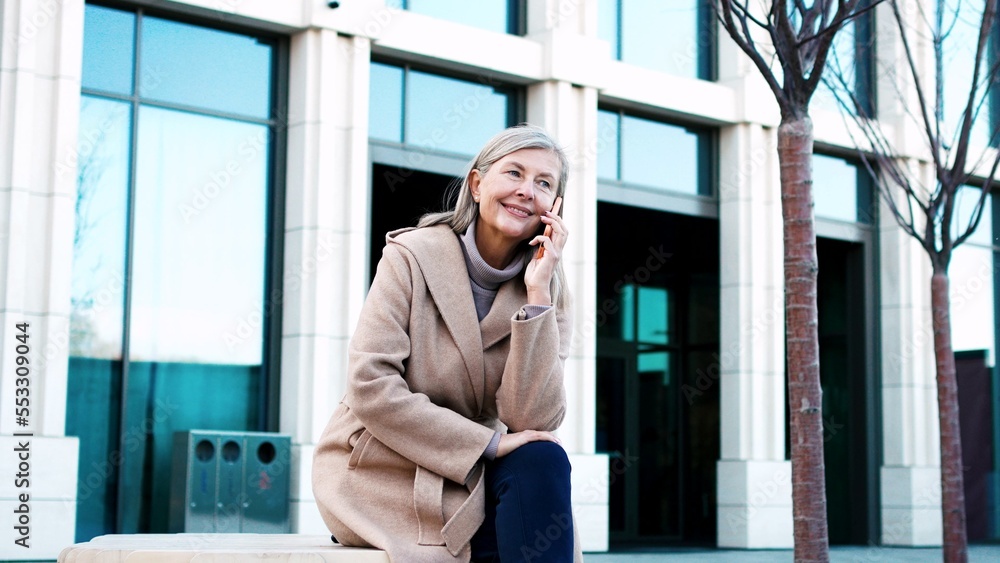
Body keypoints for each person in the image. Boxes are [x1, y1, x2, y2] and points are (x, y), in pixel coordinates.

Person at [312, 123, 581, 562]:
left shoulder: (548, 294)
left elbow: (532, 420)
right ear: (477, 184)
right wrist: (487, 444)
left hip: (472, 479)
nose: (527, 191)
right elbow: (369, 384)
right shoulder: (411, 257)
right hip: (388, 467)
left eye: (544, 183)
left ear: (555, 207)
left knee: (542, 461)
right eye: (513, 173)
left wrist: (536, 298)